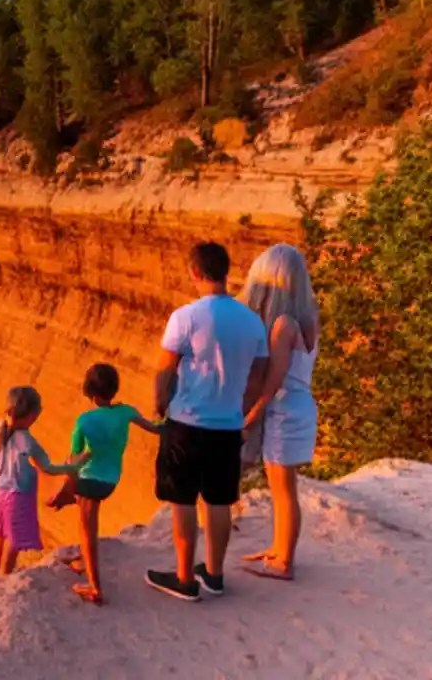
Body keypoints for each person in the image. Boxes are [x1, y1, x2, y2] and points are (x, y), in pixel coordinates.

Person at [146, 242, 269, 602]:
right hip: (227, 425)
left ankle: (184, 578)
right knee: (218, 500)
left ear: (194, 272)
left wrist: (160, 406)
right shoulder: (251, 321)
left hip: (186, 422)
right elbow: (257, 377)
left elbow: (166, 368)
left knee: (182, 499)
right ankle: (214, 576)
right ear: (226, 272)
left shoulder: (186, 316)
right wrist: (243, 415)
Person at [237, 244, 319, 581]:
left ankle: (283, 561)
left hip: (286, 411)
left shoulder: (283, 325)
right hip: (296, 408)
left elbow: (271, 383)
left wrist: (249, 417)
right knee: (281, 488)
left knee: (284, 491)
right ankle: (277, 548)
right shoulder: (307, 319)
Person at [48, 363, 160, 605]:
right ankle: (81, 557)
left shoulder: (85, 420)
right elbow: (155, 428)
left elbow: (74, 461)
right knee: (84, 509)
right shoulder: (126, 411)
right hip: (111, 480)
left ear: (93, 395)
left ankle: (95, 588)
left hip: (89, 482)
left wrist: (66, 485)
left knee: (87, 530)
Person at [0, 386, 88, 575]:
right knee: (14, 540)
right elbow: (47, 468)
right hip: (16, 495)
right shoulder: (27, 440)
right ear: (31, 415)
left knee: (2, 534)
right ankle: (3, 578)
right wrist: (73, 468)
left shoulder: (1, 430)